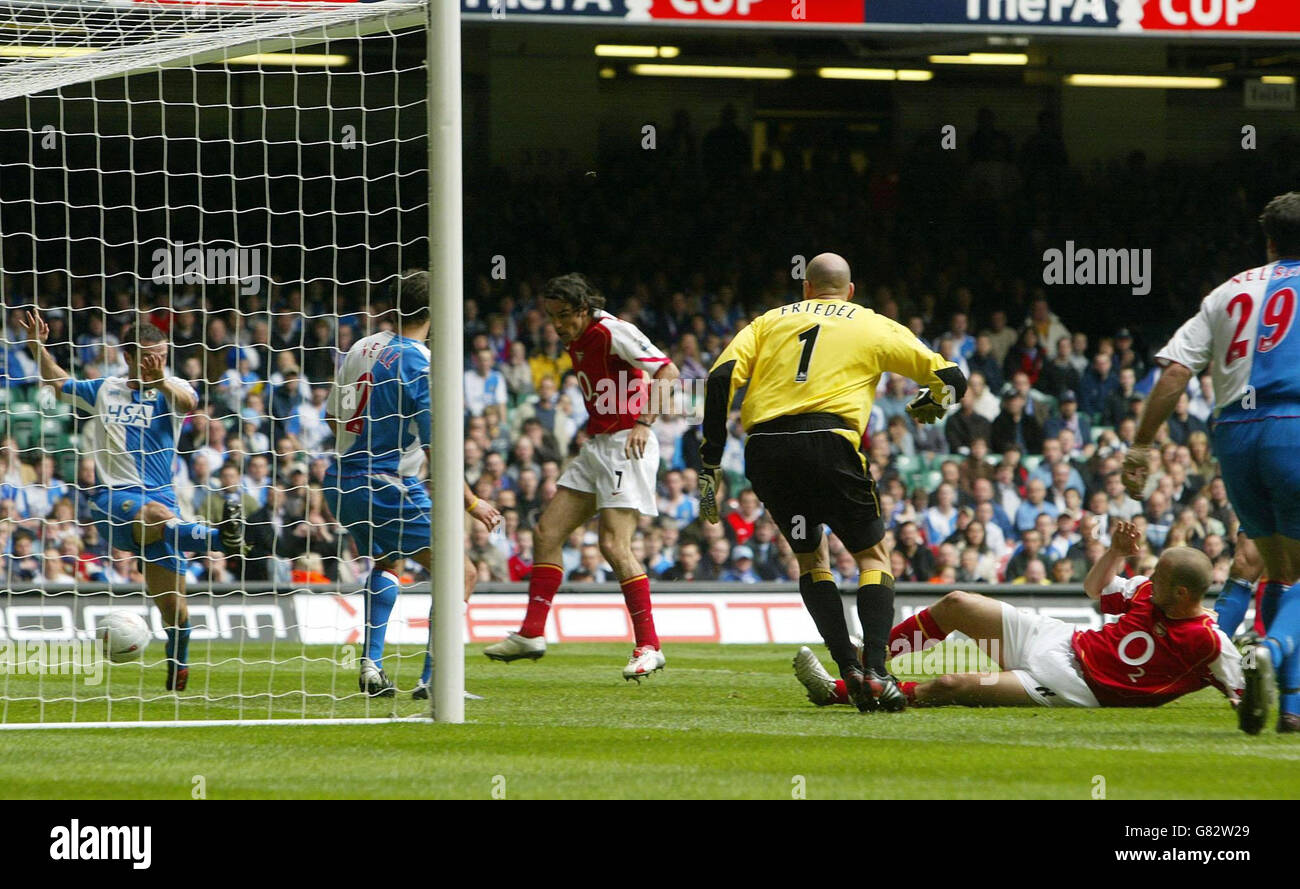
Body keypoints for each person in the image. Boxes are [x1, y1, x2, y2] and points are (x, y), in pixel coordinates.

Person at [699, 252, 966, 712]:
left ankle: (848, 668)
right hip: (830, 442)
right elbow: (951, 377)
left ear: (805, 286)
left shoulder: (768, 322)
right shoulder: (871, 323)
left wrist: (712, 457)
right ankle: (878, 672)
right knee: (872, 556)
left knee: (810, 559)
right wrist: (930, 406)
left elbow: (719, 377)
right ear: (850, 290)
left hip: (767, 448)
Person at [1124, 192, 1300, 733]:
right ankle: (1268, 650)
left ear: (1268, 241)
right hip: (1294, 425)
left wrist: (1142, 444)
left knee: (1283, 573)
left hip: (1234, 435)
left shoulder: (1228, 292)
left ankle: (1290, 709)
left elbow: (1176, 372)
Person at [20, 311, 247, 692]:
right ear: (129, 356)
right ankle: (218, 539)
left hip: (163, 502)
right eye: (149, 356)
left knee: (174, 608)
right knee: (155, 515)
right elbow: (58, 382)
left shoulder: (172, 387)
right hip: (115, 500)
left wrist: (162, 382)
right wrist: (36, 346)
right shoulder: (106, 388)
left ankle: (178, 672)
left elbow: (190, 402)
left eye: (162, 354)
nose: (158, 362)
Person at [793, 522, 1242, 710]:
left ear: (1182, 593)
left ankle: (840, 690)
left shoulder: (1209, 641)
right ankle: (873, 659)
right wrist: (1115, 553)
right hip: (1061, 639)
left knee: (950, 685)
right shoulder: (1147, 591)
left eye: (1159, 577)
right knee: (956, 603)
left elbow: (1246, 696)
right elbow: (1095, 590)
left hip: (1071, 685)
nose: (1150, 579)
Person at [484, 273, 680, 680]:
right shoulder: (576, 336)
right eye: (551, 316)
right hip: (598, 446)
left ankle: (650, 645)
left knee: (613, 544)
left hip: (629, 443)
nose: (557, 325)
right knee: (546, 534)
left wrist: (645, 422)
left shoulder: (612, 330)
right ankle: (532, 633)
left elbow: (669, 372)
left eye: (564, 316)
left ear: (583, 308)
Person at [325, 271, 501, 698]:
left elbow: (333, 415)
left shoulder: (360, 347)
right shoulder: (421, 362)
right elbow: (437, 446)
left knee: (389, 563)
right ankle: (435, 679)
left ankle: (371, 665)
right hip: (387, 483)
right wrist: (471, 501)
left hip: (340, 481)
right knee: (462, 572)